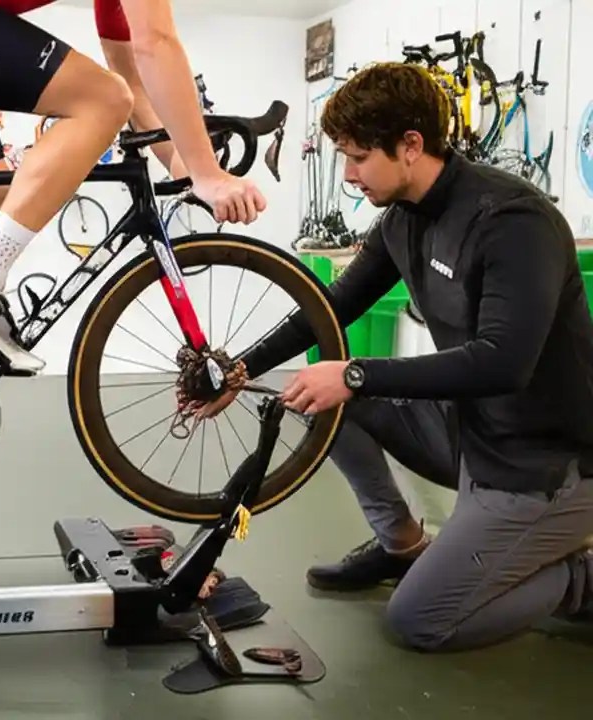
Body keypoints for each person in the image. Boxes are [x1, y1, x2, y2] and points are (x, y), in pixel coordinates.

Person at [201, 62, 593, 651]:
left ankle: (579, 577)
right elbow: (329, 306)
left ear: (410, 145)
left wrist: (356, 373)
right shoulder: (402, 221)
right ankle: (401, 545)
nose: (349, 175)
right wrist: (236, 370)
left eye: (358, 157)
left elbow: (503, 363)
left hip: (548, 463)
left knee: (420, 621)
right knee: (319, 396)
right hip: (475, 437)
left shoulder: (513, 222)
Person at [0, 0, 267, 373]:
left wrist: (185, 165)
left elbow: (134, 75)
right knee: (103, 98)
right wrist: (209, 173)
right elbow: (154, 44)